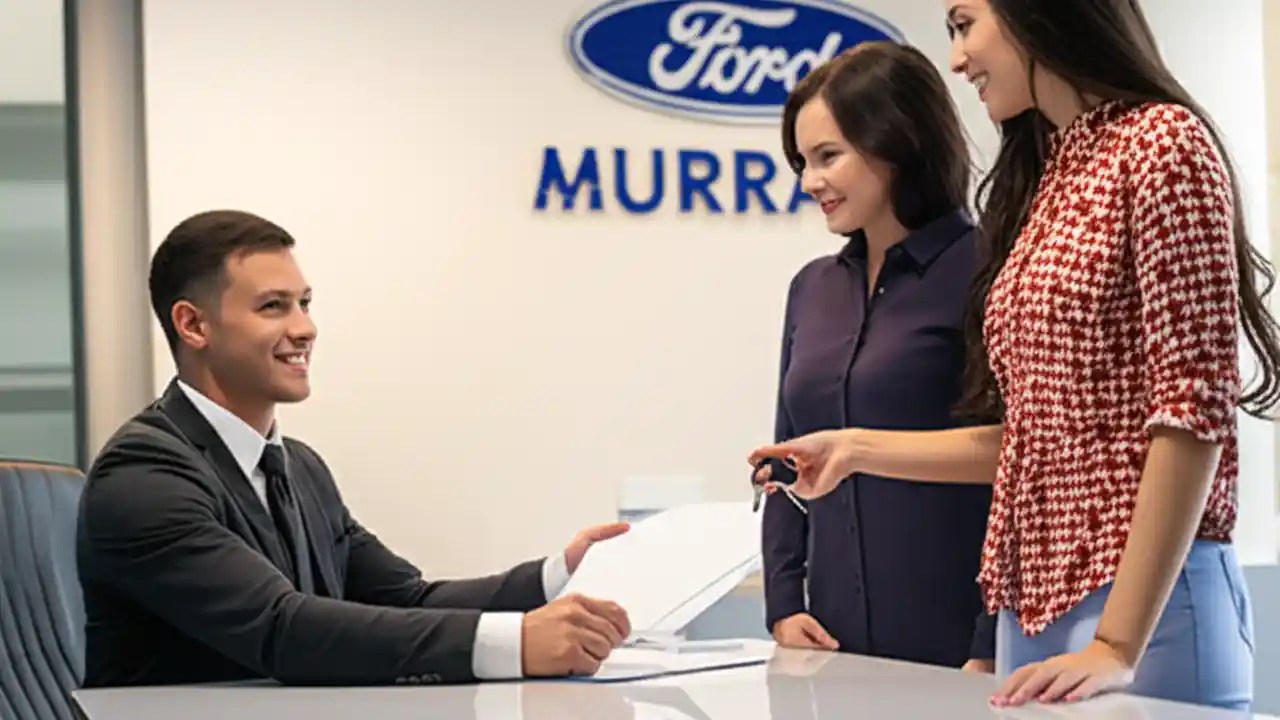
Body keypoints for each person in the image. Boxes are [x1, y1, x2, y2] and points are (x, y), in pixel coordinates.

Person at [750, 0, 1278, 710]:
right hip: (1031, 607)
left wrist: (1117, 643)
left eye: (965, 25)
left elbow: (1192, 412)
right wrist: (852, 449)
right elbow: (1034, 438)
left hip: (1140, 608)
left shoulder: (1164, 144)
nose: (957, 59)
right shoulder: (1049, 174)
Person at [78, 209, 632, 687]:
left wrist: (558, 575)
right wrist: (514, 642)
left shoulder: (299, 467)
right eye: (274, 306)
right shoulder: (143, 475)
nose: (305, 328)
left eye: (305, 303)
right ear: (193, 325)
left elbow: (404, 600)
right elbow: (280, 627)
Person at [754, 41, 995, 672]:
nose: (810, 182)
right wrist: (783, 602)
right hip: (831, 649)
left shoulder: (992, 268)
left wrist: (992, 642)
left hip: (960, 648)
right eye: (802, 162)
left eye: (828, 156)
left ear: (897, 141)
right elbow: (785, 459)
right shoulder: (812, 288)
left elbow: (1022, 472)